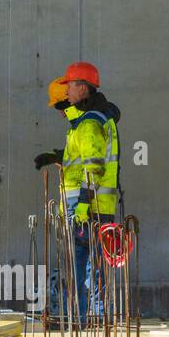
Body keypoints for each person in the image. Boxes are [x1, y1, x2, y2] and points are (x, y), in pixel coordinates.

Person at [34, 62, 121, 319]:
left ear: (82, 89)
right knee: (88, 265)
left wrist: (83, 203)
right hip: (91, 206)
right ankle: (88, 318)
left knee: (85, 265)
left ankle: (89, 318)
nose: (67, 92)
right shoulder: (85, 123)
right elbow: (80, 159)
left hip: (88, 208)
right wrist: (56, 156)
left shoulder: (89, 124)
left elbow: (93, 167)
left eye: (70, 87)